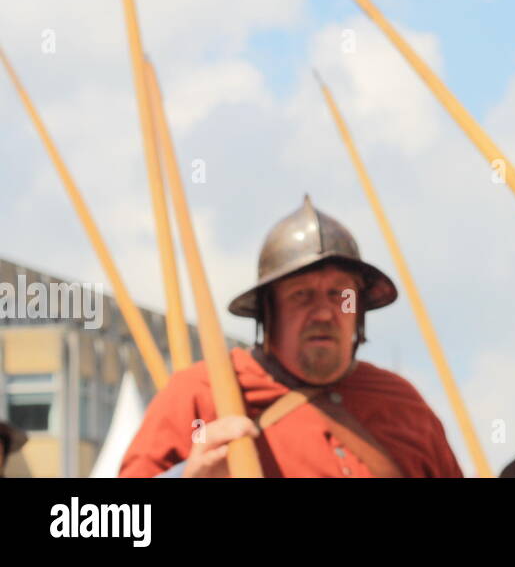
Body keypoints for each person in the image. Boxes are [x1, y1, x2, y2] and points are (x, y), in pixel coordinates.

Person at [119, 195, 463, 477]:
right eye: (302, 295)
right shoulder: (202, 393)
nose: (325, 313)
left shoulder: (403, 404)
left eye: (339, 296)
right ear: (269, 311)